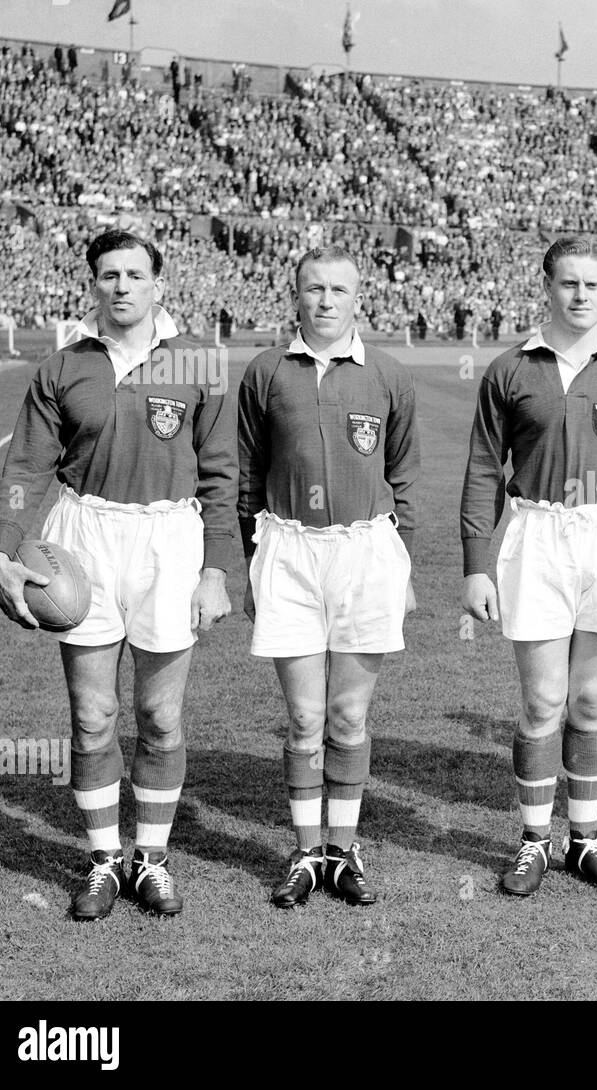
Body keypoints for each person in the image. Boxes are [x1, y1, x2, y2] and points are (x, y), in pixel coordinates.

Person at [0, 229, 236, 919]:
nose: (121, 285)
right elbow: (23, 470)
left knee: (160, 715)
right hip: (85, 537)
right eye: (108, 275)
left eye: (134, 273)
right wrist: (1, 548)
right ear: (92, 285)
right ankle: (102, 861)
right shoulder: (64, 367)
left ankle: (150, 859)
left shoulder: (200, 363)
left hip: (170, 539)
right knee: (93, 716)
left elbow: (221, 475)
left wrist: (216, 567)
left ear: (159, 282)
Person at [461, 236, 597, 897]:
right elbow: (481, 469)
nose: (580, 296)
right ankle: (533, 841)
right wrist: (475, 564)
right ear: (546, 286)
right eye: (569, 283)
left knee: (589, 700)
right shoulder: (509, 370)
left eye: (594, 285)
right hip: (538, 532)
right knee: (542, 701)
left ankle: (584, 839)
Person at [237, 244, 418, 909]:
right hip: (288, 551)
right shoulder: (265, 372)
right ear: (296, 294)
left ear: (358, 298)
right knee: (305, 717)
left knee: (348, 714)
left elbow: (405, 478)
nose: (325, 301)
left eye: (338, 290)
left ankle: (344, 853)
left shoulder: (389, 375)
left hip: (367, 551)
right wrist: (247, 566)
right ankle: (306, 851)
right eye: (314, 288)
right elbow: (246, 479)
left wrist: (405, 568)